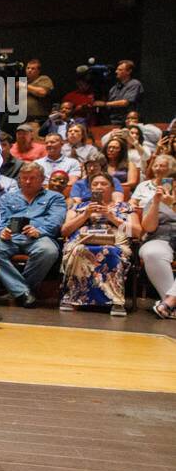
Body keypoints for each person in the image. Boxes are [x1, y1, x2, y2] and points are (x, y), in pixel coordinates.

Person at [59, 172, 139, 315]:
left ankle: (116, 301)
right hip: (81, 242)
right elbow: (65, 231)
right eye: (95, 184)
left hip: (115, 243)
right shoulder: (79, 207)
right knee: (80, 250)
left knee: (110, 251)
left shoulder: (124, 207)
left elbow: (136, 232)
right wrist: (85, 215)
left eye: (104, 184)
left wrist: (111, 216)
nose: (99, 187)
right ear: (90, 188)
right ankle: (71, 297)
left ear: (113, 187)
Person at [0, 162, 65, 307]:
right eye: (24, 178)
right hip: (11, 238)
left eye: (32, 178)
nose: (27, 181)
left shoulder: (55, 197)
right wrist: (1, 231)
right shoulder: (8, 197)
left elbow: (56, 221)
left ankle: (18, 290)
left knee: (48, 251)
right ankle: (24, 293)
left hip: (39, 237)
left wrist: (39, 231)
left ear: (42, 179)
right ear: (19, 179)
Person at [133, 154, 176, 315]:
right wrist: (157, 203)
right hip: (161, 238)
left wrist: (173, 205)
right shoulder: (155, 198)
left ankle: (169, 304)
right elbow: (149, 228)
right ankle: (169, 304)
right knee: (151, 252)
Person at [94, 60, 142, 125]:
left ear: (129, 71)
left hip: (128, 121)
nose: (116, 72)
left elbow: (125, 102)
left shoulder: (134, 84)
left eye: (120, 70)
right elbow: (109, 104)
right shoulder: (114, 88)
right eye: (117, 69)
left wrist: (105, 104)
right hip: (113, 120)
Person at [19, 58, 53, 125]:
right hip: (24, 118)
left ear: (38, 71)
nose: (29, 70)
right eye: (28, 68)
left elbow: (42, 92)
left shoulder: (43, 79)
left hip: (38, 118)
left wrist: (24, 85)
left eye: (33, 68)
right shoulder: (24, 82)